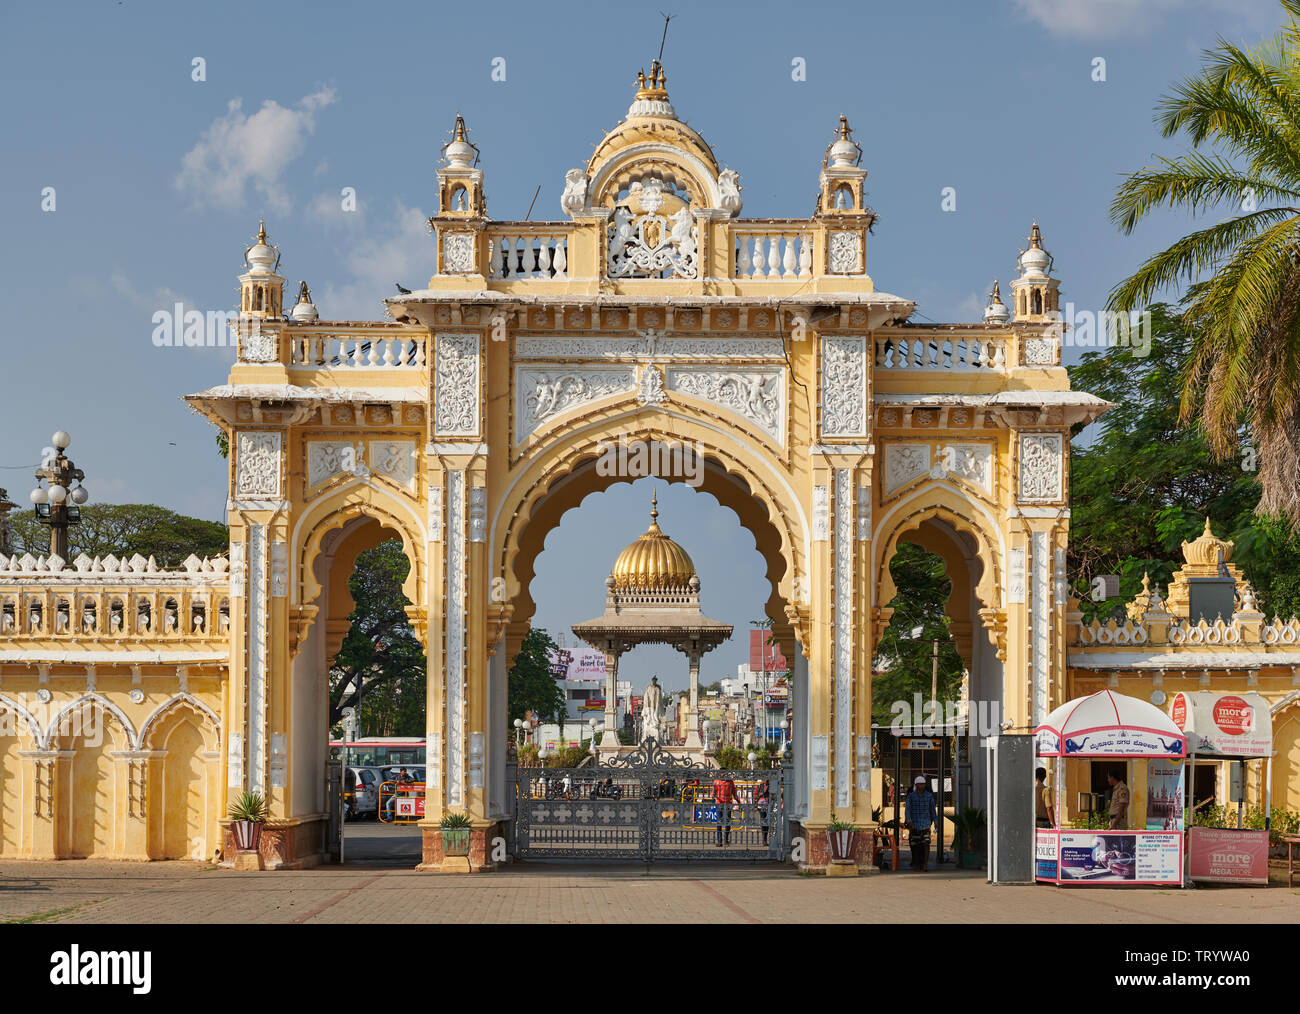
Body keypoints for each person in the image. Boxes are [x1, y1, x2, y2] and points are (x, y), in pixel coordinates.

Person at [904, 775, 938, 871]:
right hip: (914, 825)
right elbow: (907, 810)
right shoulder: (911, 796)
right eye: (920, 784)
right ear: (916, 785)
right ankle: (917, 863)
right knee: (916, 846)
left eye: (923, 784)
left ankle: (925, 864)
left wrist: (936, 822)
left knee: (926, 843)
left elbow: (932, 810)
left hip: (926, 824)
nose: (921, 786)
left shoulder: (929, 796)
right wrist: (909, 821)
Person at [712, 776, 740, 847]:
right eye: (721, 774)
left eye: (724, 774)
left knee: (727, 822)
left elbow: (734, 793)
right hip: (719, 803)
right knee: (719, 822)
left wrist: (739, 802)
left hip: (727, 804)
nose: (722, 775)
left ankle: (726, 839)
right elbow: (713, 792)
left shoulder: (730, 782)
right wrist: (713, 796)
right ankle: (719, 841)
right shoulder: (716, 781)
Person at [754, 779, 771, 846]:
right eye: (765, 780)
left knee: (768, 822)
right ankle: (764, 839)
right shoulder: (759, 786)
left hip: (769, 805)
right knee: (763, 822)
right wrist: (763, 792)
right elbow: (755, 795)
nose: (766, 781)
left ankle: (766, 838)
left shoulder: (771, 786)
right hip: (761, 806)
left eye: (767, 780)